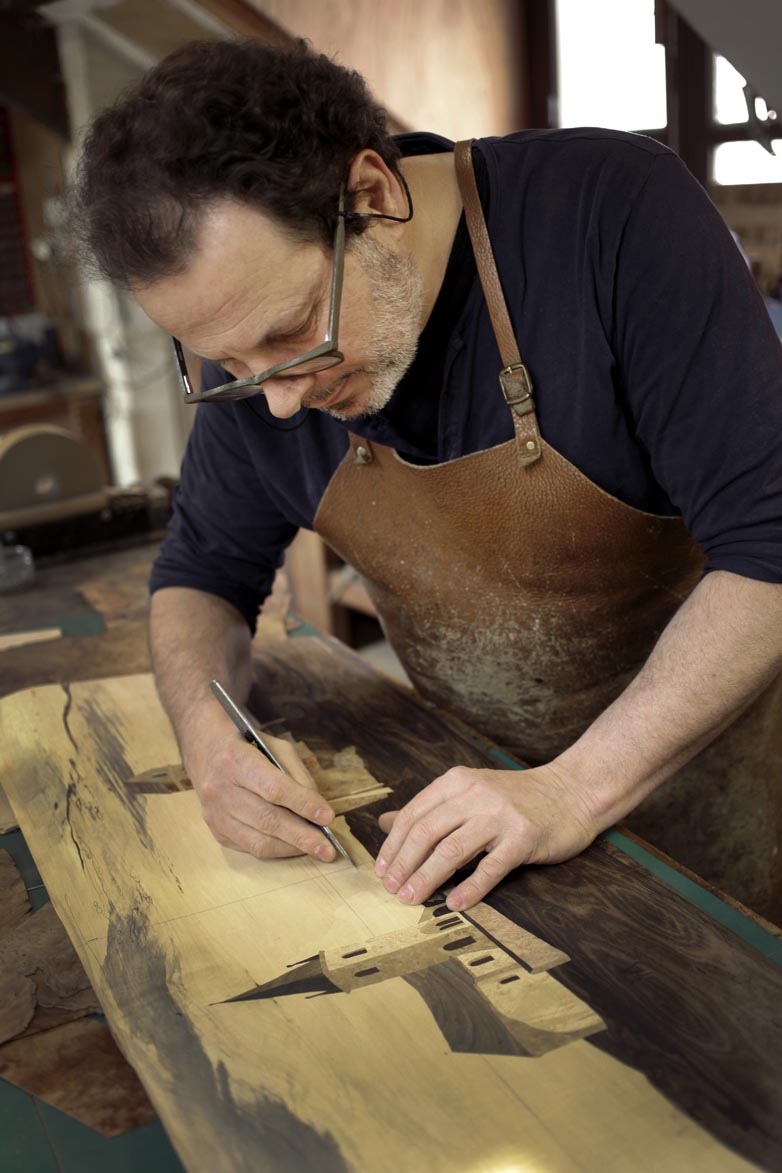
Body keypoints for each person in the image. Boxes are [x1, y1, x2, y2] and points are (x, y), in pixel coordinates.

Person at [72, 38, 782, 922]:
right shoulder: (258, 364)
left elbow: (769, 548)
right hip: (480, 830)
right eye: (227, 365)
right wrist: (208, 738)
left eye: (296, 334)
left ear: (370, 195)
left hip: (707, 823)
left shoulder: (611, 214)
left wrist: (572, 790)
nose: (280, 403)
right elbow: (201, 576)